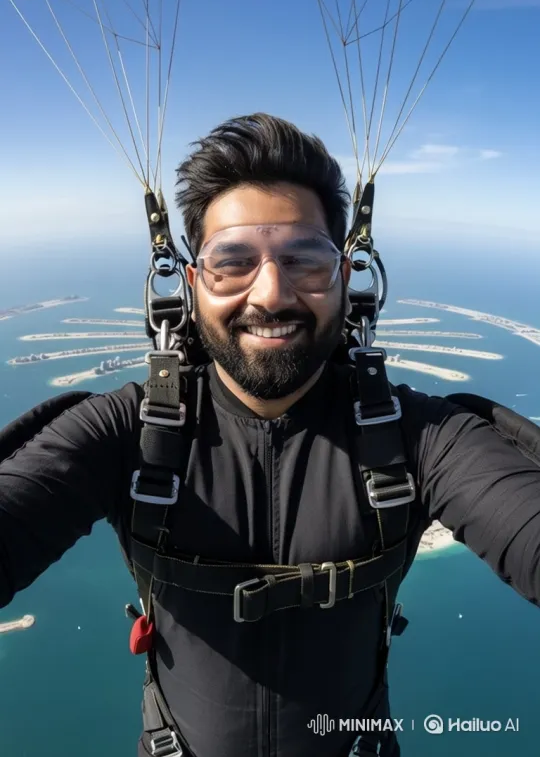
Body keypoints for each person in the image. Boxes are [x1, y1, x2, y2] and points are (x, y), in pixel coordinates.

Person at [0, 113, 539, 757]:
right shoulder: (125, 434)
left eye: (304, 259)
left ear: (345, 277)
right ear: (192, 285)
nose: (271, 293)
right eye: (233, 262)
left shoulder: (422, 438)